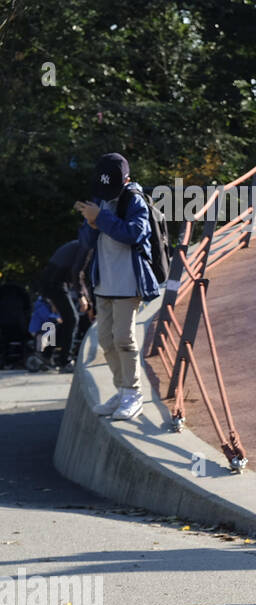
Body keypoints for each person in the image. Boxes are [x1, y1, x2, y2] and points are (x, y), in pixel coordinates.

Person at [73, 153, 160, 420]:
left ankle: (133, 393)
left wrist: (100, 218)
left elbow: (134, 233)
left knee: (124, 338)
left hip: (127, 282)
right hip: (104, 283)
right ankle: (123, 390)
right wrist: (91, 222)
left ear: (126, 180)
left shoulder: (134, 200)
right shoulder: (100, 199)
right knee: (106, 341)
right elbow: (86, 242)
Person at [39, 239, 94, 369]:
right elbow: (77, 273)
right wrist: (82, 297)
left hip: (53, 281)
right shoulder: (87, 246)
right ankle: (64, 361)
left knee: (69, 320)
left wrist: (88, 301)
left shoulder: (83, 244)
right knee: (72, 319)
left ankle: (46, 354)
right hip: (54, 283)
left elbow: (80, 277)